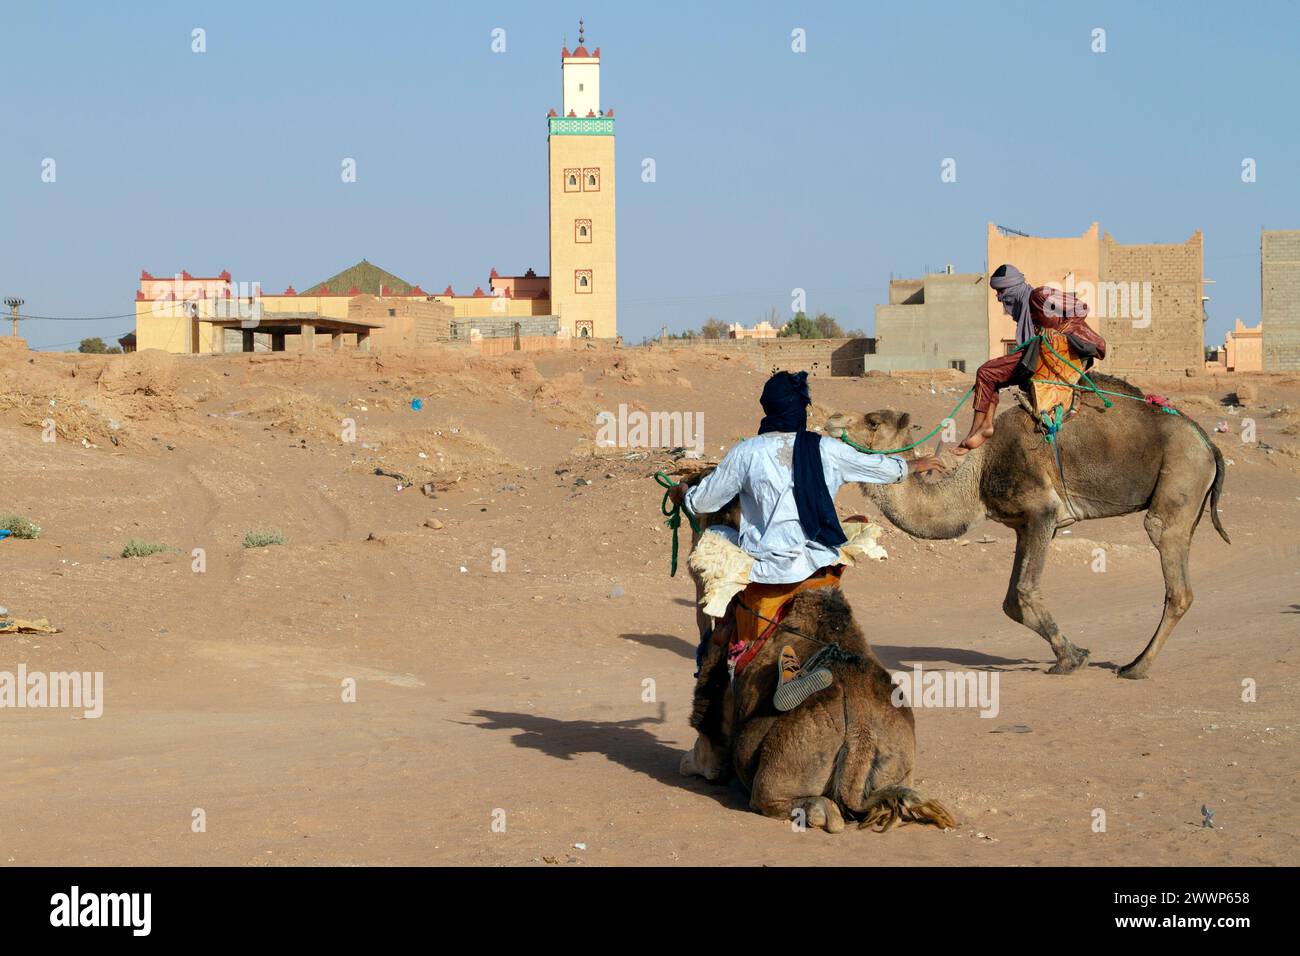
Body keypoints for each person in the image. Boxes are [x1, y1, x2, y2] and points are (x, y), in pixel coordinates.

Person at [667, 370, 945, 710]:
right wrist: (914, 465)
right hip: (819, 570)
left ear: (768, 409)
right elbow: (882, 468)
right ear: (802, 409)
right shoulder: (827, 449)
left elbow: (705, 501)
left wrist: (685, 493)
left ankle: (727, 666)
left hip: (768, 576)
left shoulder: (747, 453)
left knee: (717, 538)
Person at [955, 264, 1106, 455]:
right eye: (997, 292)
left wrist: (1057, 331)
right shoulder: (1025, 312)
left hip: (1056, 355)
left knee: (986, 372)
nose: (1000, 297)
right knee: (991, 375)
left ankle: (977, 429)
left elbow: (1080, 307)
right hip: (1039, 356)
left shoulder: (1039, 296)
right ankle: (984, 426)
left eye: (1001, 291)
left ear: (1013, 287)